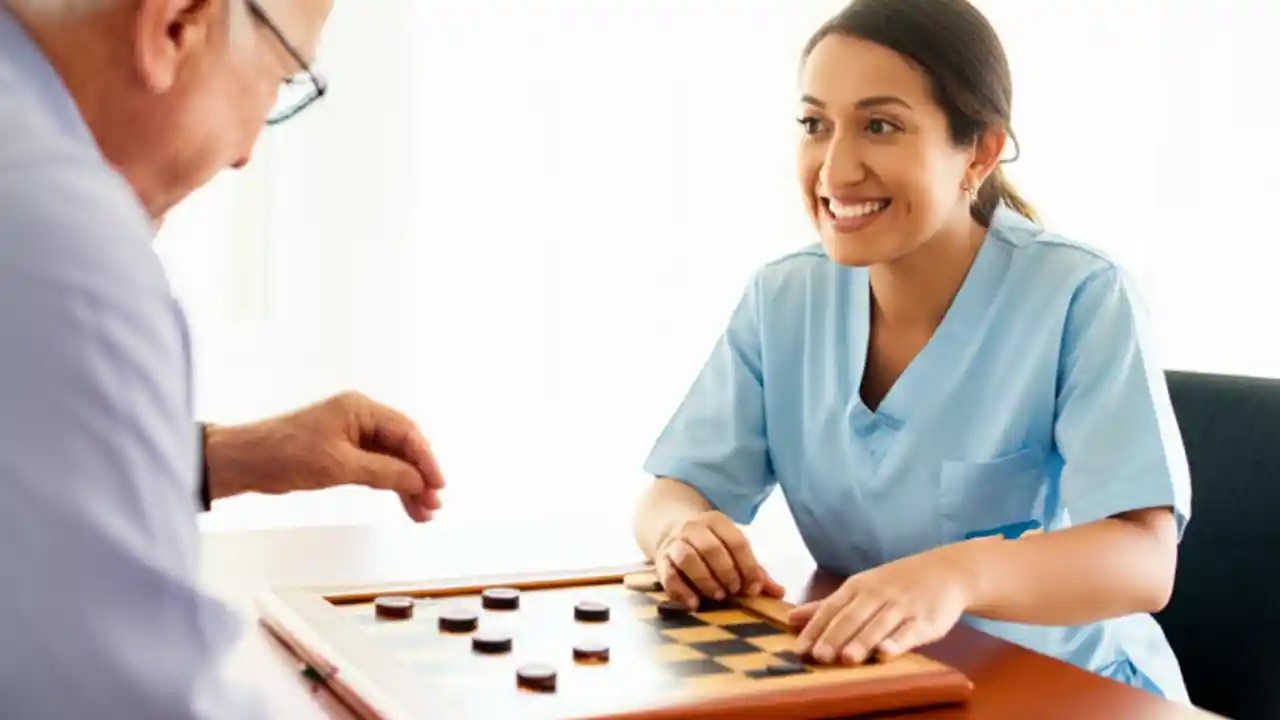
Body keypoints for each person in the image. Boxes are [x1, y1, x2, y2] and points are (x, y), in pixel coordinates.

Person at [633, 0, 1192, 703]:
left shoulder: (1079, 294)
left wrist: (954, 576)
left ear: (980, 152)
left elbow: (1145, 561)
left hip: (1069, 692)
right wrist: (682, 533)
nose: (835, 169)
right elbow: (674, 491)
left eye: (880, 126)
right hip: (876, 681)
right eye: (815, 125)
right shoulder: (783, 298)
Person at [0, 0, 444, 716]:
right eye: (282, 78)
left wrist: (220, 456)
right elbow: (137, 700)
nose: (245, 153)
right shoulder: (59, 236)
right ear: (176, 24)